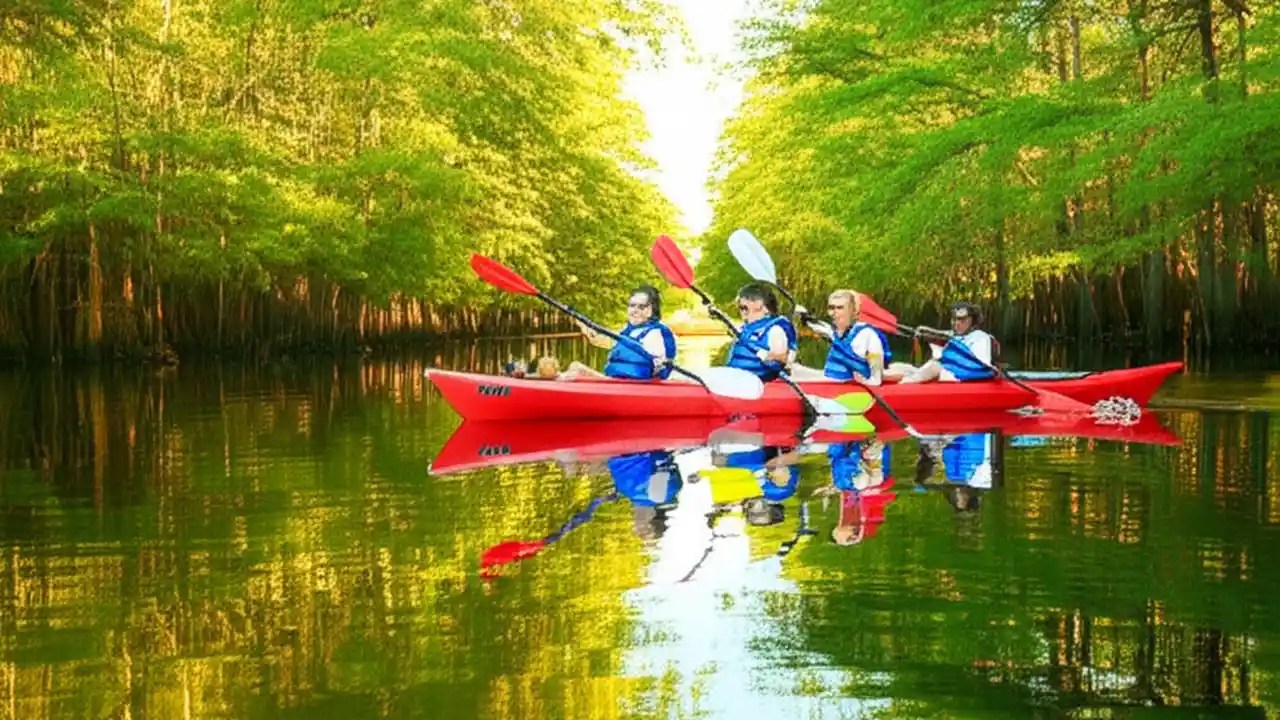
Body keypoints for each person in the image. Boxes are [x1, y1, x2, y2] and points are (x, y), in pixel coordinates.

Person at [559, 285, 678, 381]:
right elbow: (599, 340)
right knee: (559, 367)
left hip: (635, 387)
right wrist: (580, 323)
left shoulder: (656, 333)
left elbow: (658, 368)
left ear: (652, 310)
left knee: (577, 368)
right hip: (618, 382)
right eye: (632, 305)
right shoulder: (628, 331)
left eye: (641, 307)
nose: (635, 310)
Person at [789, 290, 892, 384]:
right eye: (831, 308)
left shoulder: (867, 334)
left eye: (840, 308)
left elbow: (876, 378)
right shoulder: (834, 332)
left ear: (853, 311)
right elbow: (815, 324)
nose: (833, 313)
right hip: (831, 378)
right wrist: (804, 316)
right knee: (794, 368)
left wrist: (871, 381)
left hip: (849, 383)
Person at [885, 301, 997, 384]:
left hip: (960, 376)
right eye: (954, 320)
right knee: (899, 366)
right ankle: (877, 379)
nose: (957, 324)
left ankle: (902, 386)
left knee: (934, 366)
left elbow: (981, 365)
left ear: (973, 322)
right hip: (942, 371)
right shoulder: (951, 334)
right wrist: (922, 334)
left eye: (962, 320)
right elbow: (935, 334)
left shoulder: (981, 337)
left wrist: (952, 352)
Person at [724, 282, 797, 382]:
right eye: (741, 308)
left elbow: (783, 361)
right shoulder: (742, 330)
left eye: (745, 308)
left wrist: (766, 356)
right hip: (736, 380)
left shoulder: (775, 330)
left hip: (759, 383)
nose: (743, 312)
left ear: (765, 308)